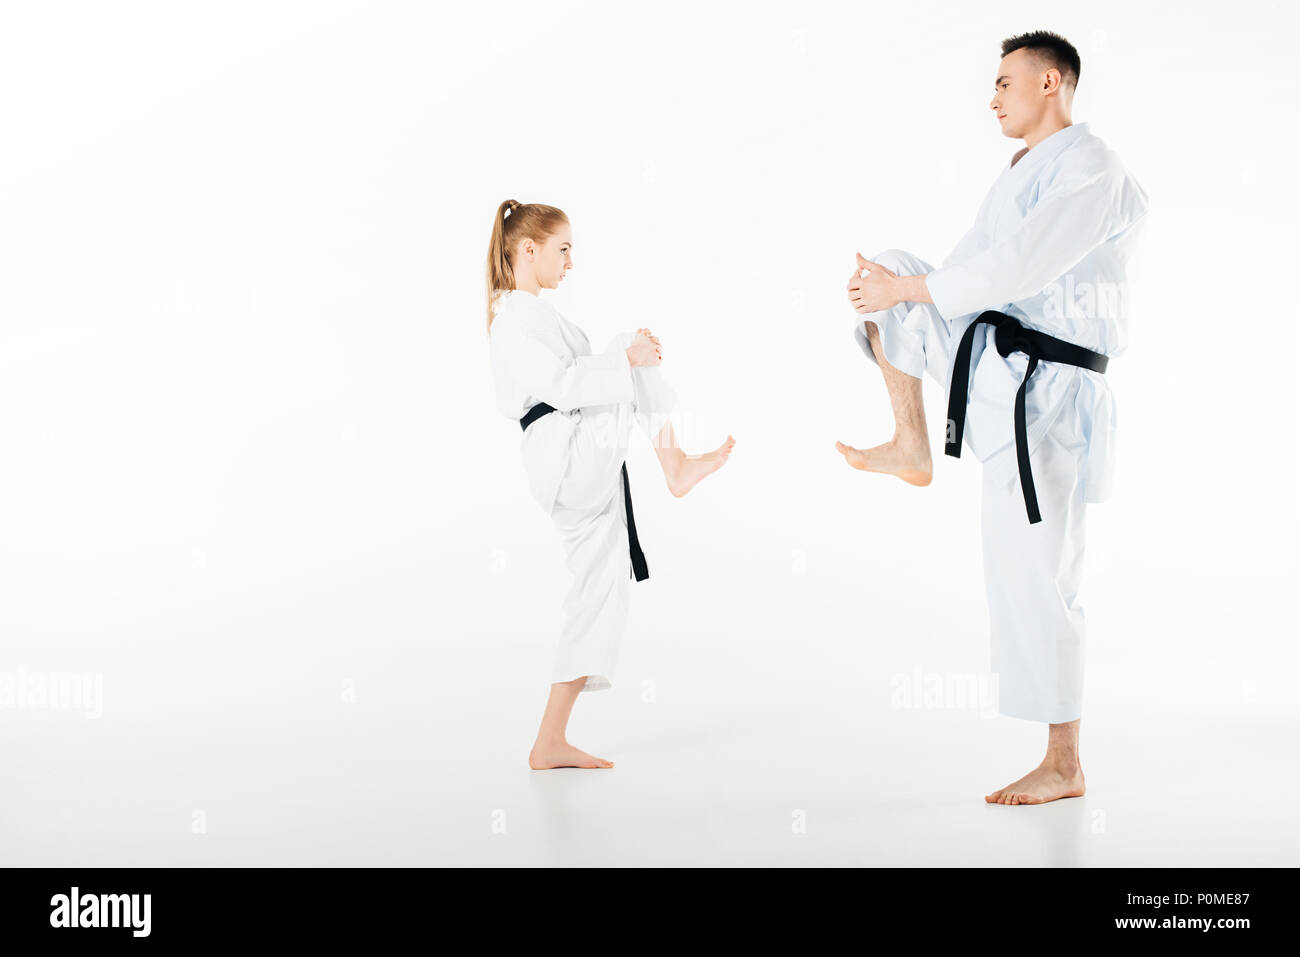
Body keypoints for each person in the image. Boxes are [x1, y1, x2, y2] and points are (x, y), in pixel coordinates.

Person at [836, 31, 1148, 804]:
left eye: (1005, 82)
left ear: (1053, 82)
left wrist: (908, 297)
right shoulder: (1021, 173)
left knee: (1041, 574)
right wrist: (896, 294)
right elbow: (960, 276)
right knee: (899, 268)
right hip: (1007, 374)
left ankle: (1065, 762)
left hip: (1054, 393)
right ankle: (914, 442)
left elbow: (1020, 268)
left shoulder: (1092, 169)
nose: (993, 96)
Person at [486, 200, 736, 770]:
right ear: (529, 250)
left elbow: (583, 379)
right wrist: (627, 357)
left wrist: (627, 360)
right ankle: (674, 467)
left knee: (596, 595)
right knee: (629, 341)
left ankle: (549, 740)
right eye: (563, 249)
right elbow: (563, 385)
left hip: (575, 464)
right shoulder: (514, 319)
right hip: (567, 458)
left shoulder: (531, 315)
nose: (570, 261)